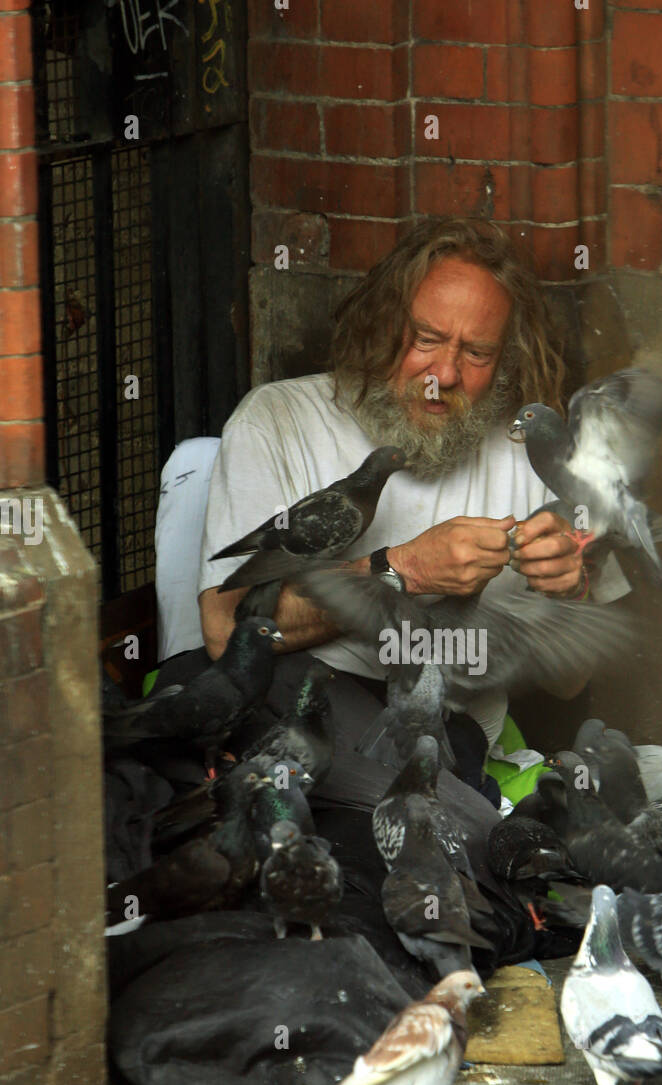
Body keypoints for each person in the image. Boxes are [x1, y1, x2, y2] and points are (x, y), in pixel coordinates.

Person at [197, 217, 628, 751]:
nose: (443, 375)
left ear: (503, 361)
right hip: (305, 718)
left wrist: (571, 587)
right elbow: (222, 632)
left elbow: (571, 682)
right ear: (382, 323)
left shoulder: (531, 456)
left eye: (476, 354)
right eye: (425, 339)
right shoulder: (278, 420)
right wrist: (404, 570)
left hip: (448, 741)